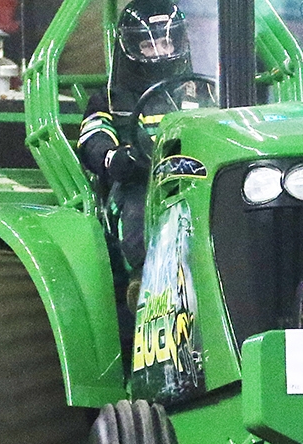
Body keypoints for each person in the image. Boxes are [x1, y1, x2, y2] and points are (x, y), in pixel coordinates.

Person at [77, 0, 193, 274]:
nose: (159, 53)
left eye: (166, 43)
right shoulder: (110, 98)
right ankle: (142, 278)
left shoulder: (202, 92)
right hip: (139, 180)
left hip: (195, 180)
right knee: (139, 211)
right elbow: (93, 136)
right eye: (148, 45)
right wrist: (112, 157)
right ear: (130, 48)